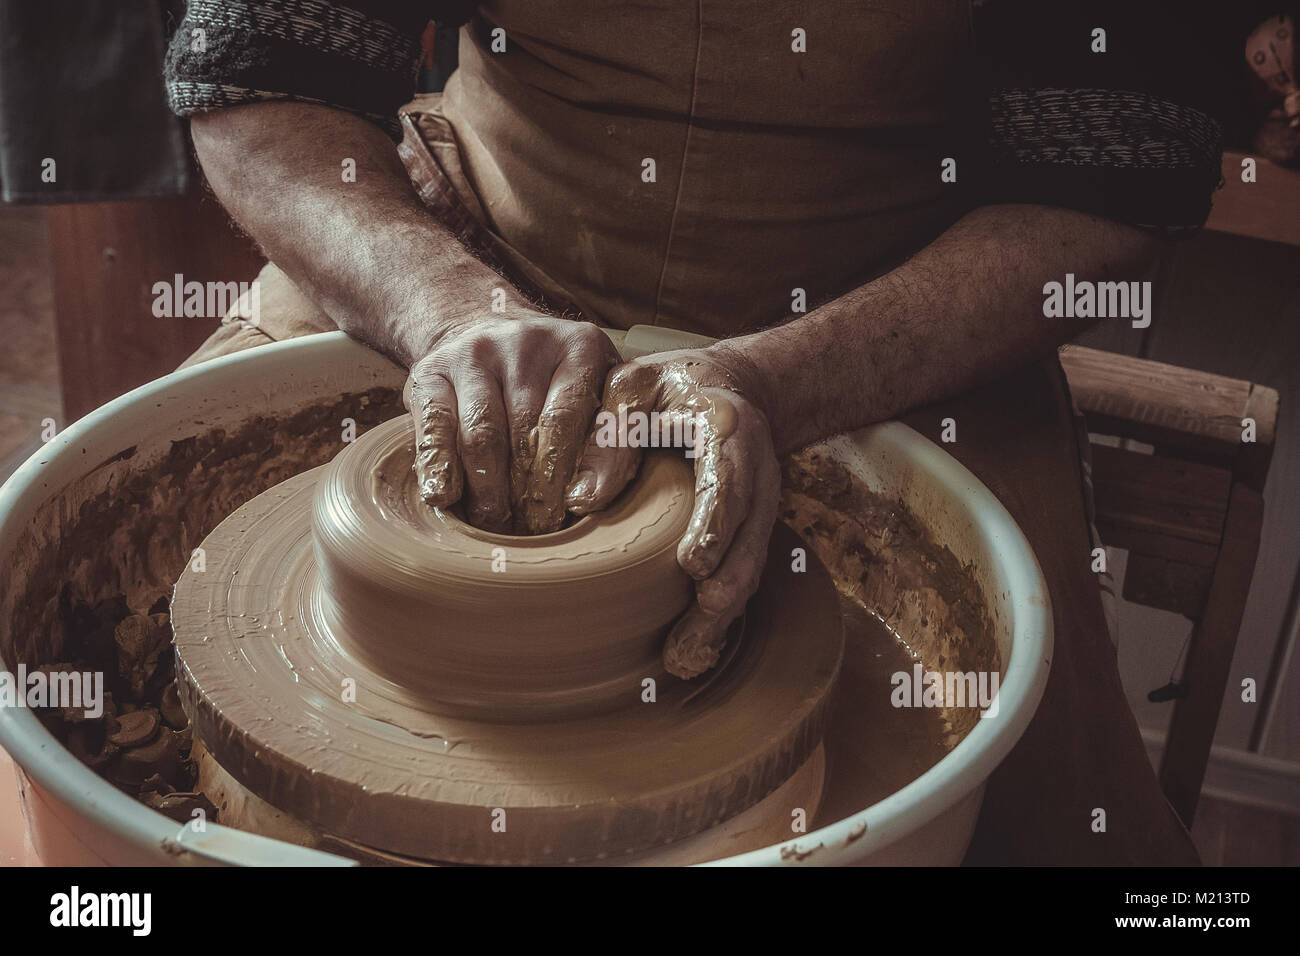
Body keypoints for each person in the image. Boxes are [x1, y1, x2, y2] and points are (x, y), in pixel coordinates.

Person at [165, 1, 1220, 863]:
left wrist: (769, 381)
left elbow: (1111, 191)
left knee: (1055, 817)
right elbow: (262, 75)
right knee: (165, 613)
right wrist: (447, 308)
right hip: (464, 260)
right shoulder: (446, 294)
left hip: (888, 328)